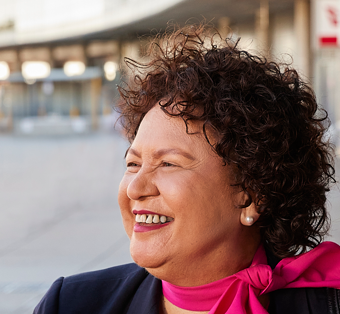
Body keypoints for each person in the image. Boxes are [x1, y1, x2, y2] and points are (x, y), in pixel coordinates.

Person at [34, 24, 340, 314]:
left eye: (168, 163)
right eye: (133, 164)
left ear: (251, 195)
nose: (135, 188)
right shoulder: (70, 305)